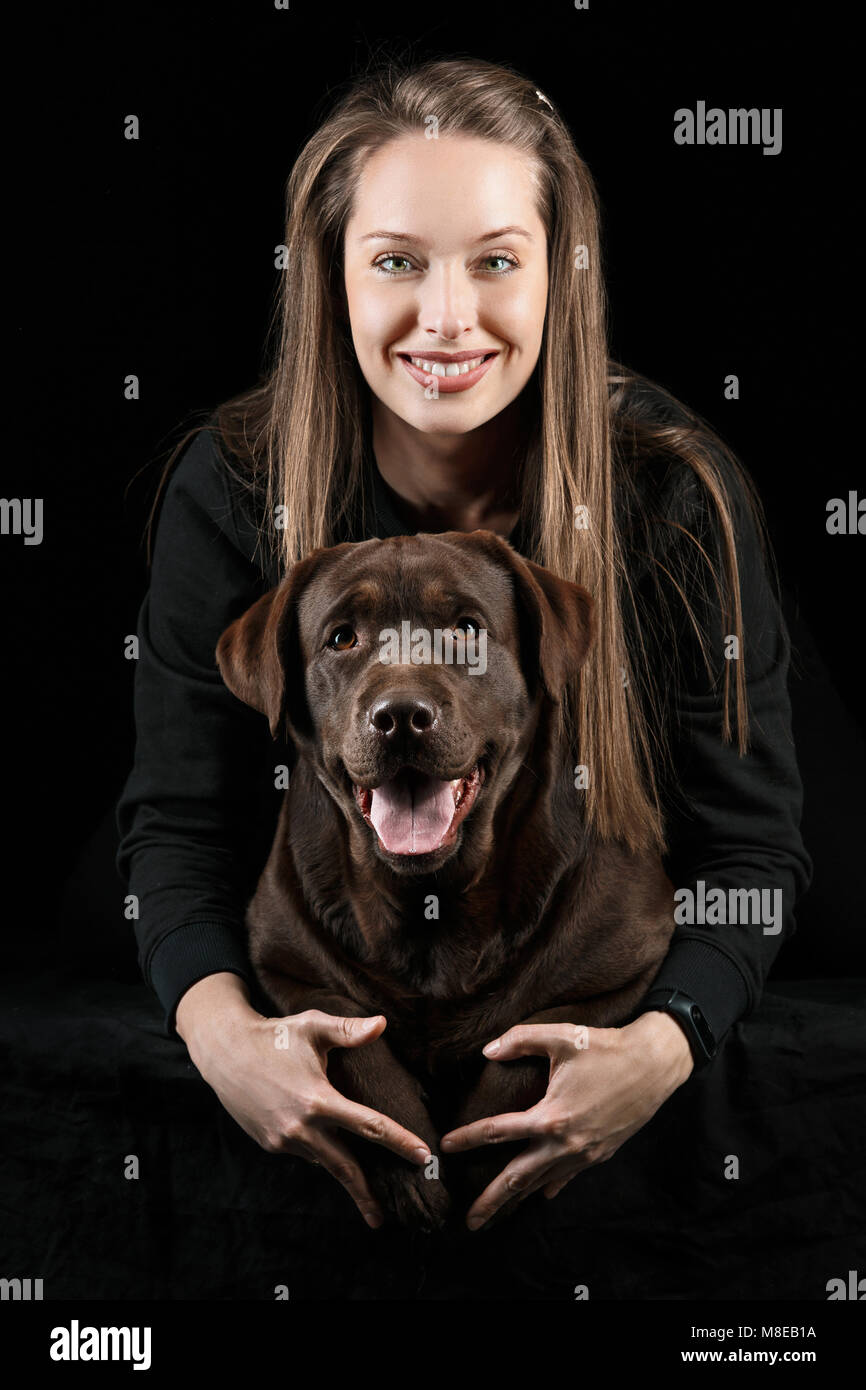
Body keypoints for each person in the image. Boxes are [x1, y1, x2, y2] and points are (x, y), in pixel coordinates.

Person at [115, 55, 811, 1235]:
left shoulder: (668, 492)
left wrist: (665, 1039)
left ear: (560, 278)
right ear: (327, 276)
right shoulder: (229, 487)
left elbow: (752, 845)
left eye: (495, 260)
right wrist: (220, 1031)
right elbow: (178, 827)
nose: (447, 318)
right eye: (396, 262)